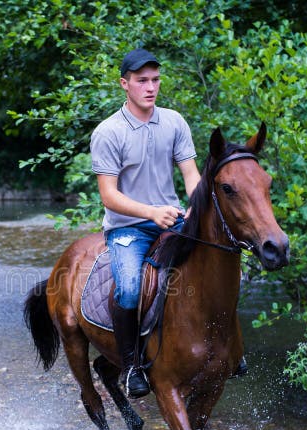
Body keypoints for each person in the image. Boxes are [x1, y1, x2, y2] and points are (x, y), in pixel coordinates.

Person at [90, 49, 202, 399]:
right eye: (142, 81)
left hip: (173, 221)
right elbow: (109, 196)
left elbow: (191, 176)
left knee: (220, 265)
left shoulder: (173, 122)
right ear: (125, 84)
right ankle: (132, 365)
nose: (150, 87)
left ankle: (225, 349)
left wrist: (199, 210)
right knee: (128, 288)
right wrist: (152, 212)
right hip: (128, 228)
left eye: (155, 80)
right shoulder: (108, 132)